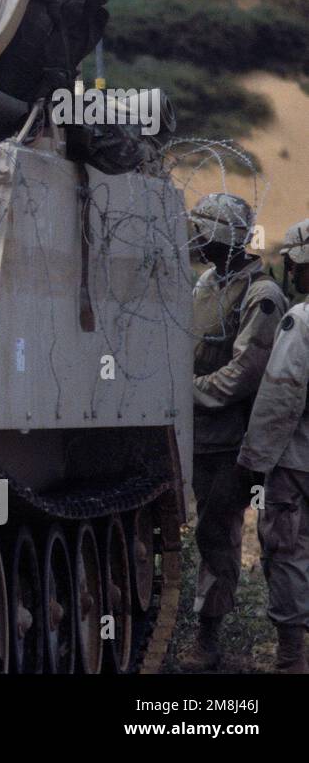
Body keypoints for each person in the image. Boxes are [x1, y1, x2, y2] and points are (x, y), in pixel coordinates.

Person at [183, 192, 288, 670]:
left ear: (220, 237)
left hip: (230, 441)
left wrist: (184, 392)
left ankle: (209, 638)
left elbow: (244, 372)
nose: (196, 241)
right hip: (200, 436)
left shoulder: (260, 295)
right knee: (204, 530)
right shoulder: (208, 281)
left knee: (219, 534)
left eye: (203, 232)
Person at [238, 218, 309, 673]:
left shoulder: (300, 321)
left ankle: (291, 658)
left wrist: (253, 460)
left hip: (296, 463)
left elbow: (280, 395)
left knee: (287, 553)